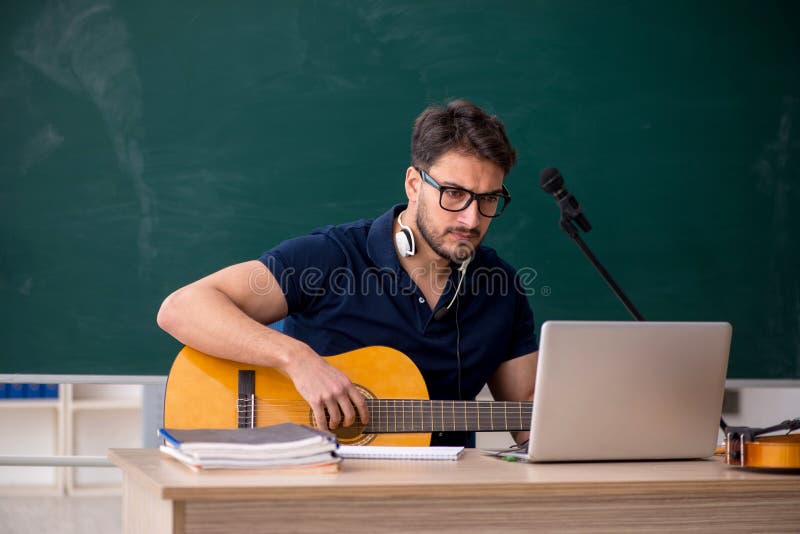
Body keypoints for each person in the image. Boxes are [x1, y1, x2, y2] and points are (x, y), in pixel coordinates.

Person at [157, 99, 538, 446]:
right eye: (454, 194)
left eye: (488, 199)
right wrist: (297, 359)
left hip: (443, 502)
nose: (472, 218)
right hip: (319, 490)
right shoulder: (329, 257)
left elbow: (527, 415)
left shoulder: (501, 287)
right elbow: (181, 308)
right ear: (414, 184)